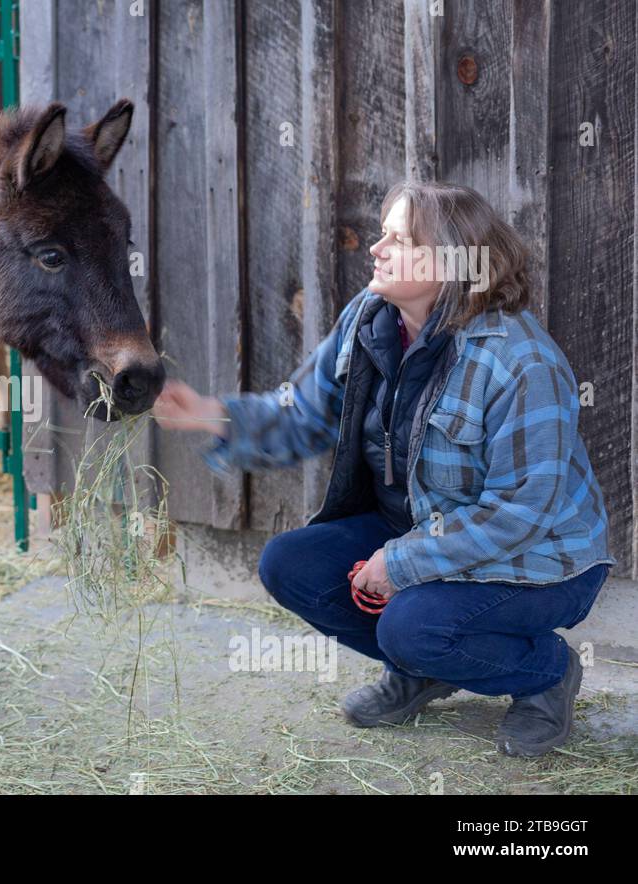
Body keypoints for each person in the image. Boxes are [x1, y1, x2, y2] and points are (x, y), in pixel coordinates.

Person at [153, 181, 615, 757]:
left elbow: (520, 512)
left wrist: (400, 562)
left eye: (399, 239)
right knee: (288, 564)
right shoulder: (370, 319)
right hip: (423, 530)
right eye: (382, 233)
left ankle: (544, 674)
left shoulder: (520, 361)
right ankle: (422, 669)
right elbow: (303, 413)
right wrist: (212, 416)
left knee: (413, 626)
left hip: (543, 560)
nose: (376, 248)